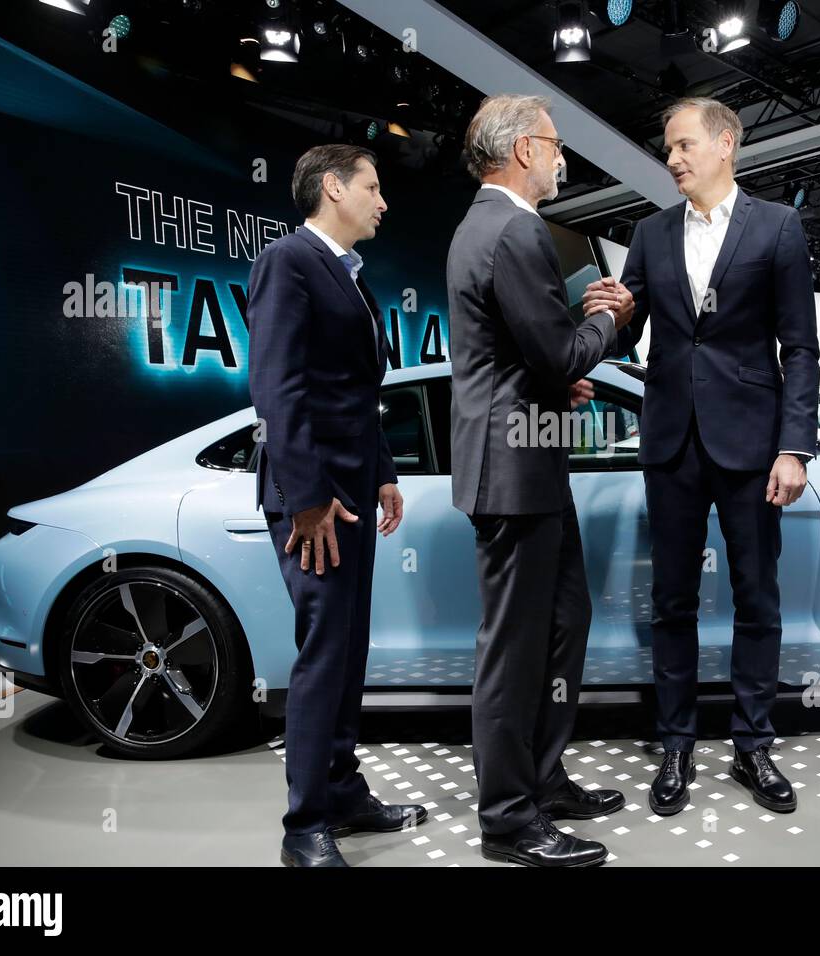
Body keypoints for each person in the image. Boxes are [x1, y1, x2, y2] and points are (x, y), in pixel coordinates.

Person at [583, 96, 819, 817]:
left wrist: (795, 446)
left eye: (684, 145)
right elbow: (632, 336)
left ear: (725, 144)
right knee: (672, 600)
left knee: (757, 596)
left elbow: (800, 347)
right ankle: (676, 742)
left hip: (752, 444)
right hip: (671, 442)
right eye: (668, 149)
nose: (673, 159)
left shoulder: (778, 226)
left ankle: (753, 743)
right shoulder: (649, 233)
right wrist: (613, 315)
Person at [447, 94, 628, 867]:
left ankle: (543, 779)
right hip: (513, 475)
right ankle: (508, 821)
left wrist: (561, 377)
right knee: (514, 653)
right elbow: (556, 352)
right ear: (523, 149)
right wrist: (607, 322)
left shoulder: (482, 228)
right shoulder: (514, 228)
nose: (562, 159)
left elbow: (526, 359)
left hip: (529, 467)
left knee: (562, 628)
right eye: (555, 144)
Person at [247, 145, 426, 867]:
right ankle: (304, 827)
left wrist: (381, 471)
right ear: (332, 188)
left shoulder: (351, 279)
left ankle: (344, 790)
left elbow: (357, 395)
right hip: (316, 501)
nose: (383, 203)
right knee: (324, 654)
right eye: (373, 187)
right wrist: (308, 502)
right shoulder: (288, 261)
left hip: (352, 490)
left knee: (347, 649)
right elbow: (278, 390)